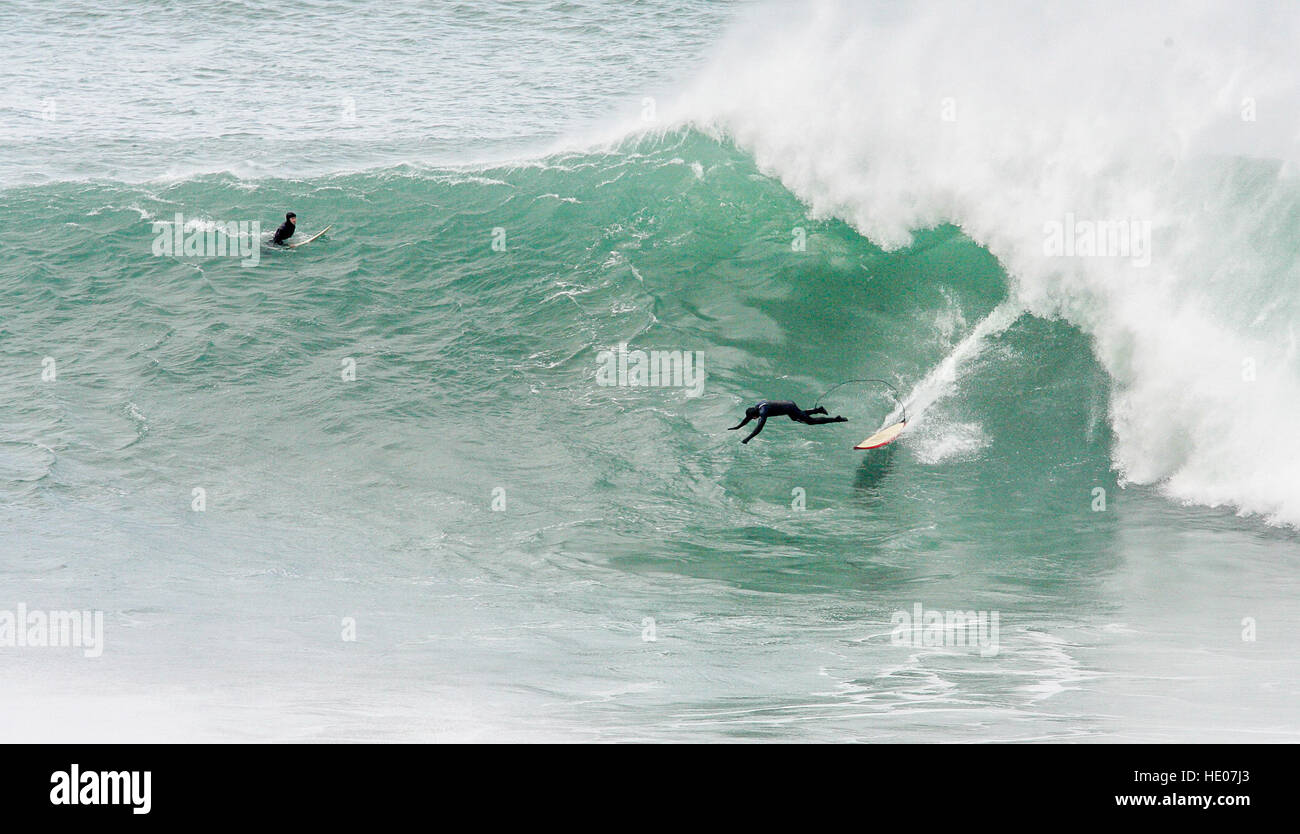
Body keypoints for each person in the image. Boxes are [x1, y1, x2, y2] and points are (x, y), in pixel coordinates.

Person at [728, 400, 847, 444]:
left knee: (810, 422)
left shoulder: (763, 412)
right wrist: (738, 427)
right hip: (788, 405)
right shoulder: (756, 408)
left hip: (790, 408)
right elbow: (747, 418)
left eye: (754, 418)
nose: (753, 419)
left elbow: (759, 428)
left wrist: (748, 439)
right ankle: (818, 410)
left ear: (756, 414)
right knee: (797, 417)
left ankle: (836, 419)